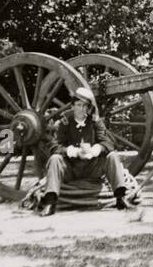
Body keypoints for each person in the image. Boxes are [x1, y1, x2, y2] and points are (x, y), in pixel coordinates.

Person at [36, 86, 134, 215]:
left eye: (85, 105)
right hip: (71, 168)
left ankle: (121, 198)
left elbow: (108, 142)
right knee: (55, 159)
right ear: (72, 106)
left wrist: (96, 149)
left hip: (92, 167)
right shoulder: (65, 122)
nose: (81, 108)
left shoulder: (95, 122)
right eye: (78, 104)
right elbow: (54, 146)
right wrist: (74, 151)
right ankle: (50, 202)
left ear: (89, 107)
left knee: (112, 156)